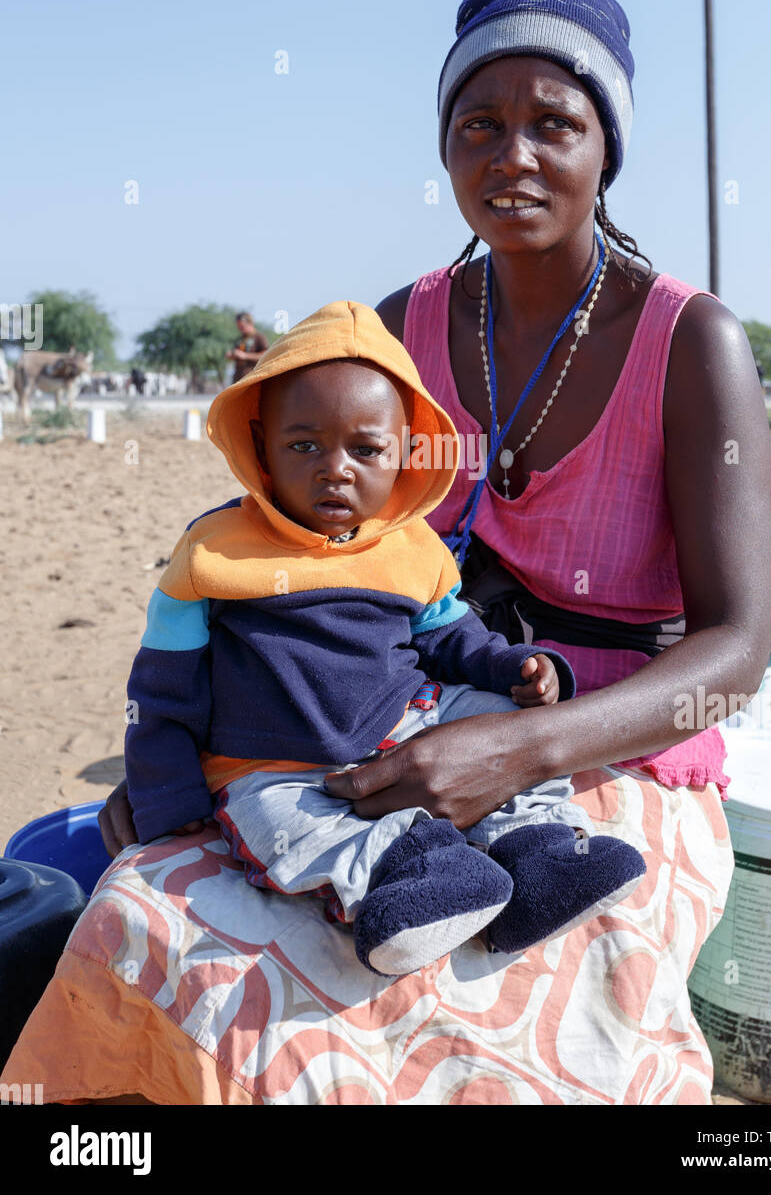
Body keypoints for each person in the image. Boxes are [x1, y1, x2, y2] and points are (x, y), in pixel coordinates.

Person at [2, 0, 771, 1105]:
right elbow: (302, 556)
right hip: (371, 718)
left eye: (552, 122)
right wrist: (194, 753)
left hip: (606, 742)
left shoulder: (688, 339)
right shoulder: (400, 328)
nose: (511, 154)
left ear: (605, 146)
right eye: (478, 125)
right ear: (445, 147)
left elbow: (736, 647)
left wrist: (519, 748)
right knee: (150, 913)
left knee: (485, 996)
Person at [124, 300, 646, 976]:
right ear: (260, 448)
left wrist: (518, 668)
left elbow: (451, 635)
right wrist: (164, 796)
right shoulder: (214, 555)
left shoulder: (410, 547)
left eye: (364, 450)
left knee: (504, 721)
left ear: (403, 458)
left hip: (408, 722)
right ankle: (410, 877)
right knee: (279, 827)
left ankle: (536, 855)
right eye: (304, 444)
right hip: (273, 764)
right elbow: (161, 690)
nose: (334, 468)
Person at [227, 311, 269, 383]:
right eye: (239, 326)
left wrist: (245, 356)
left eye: (242, 326)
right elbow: (237, 354)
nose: (240, 329)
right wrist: (232, 355)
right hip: (238, 379)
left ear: (250, 323)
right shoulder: (240, 339)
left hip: (253, 379)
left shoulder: (259, 337)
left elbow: (265, 355)